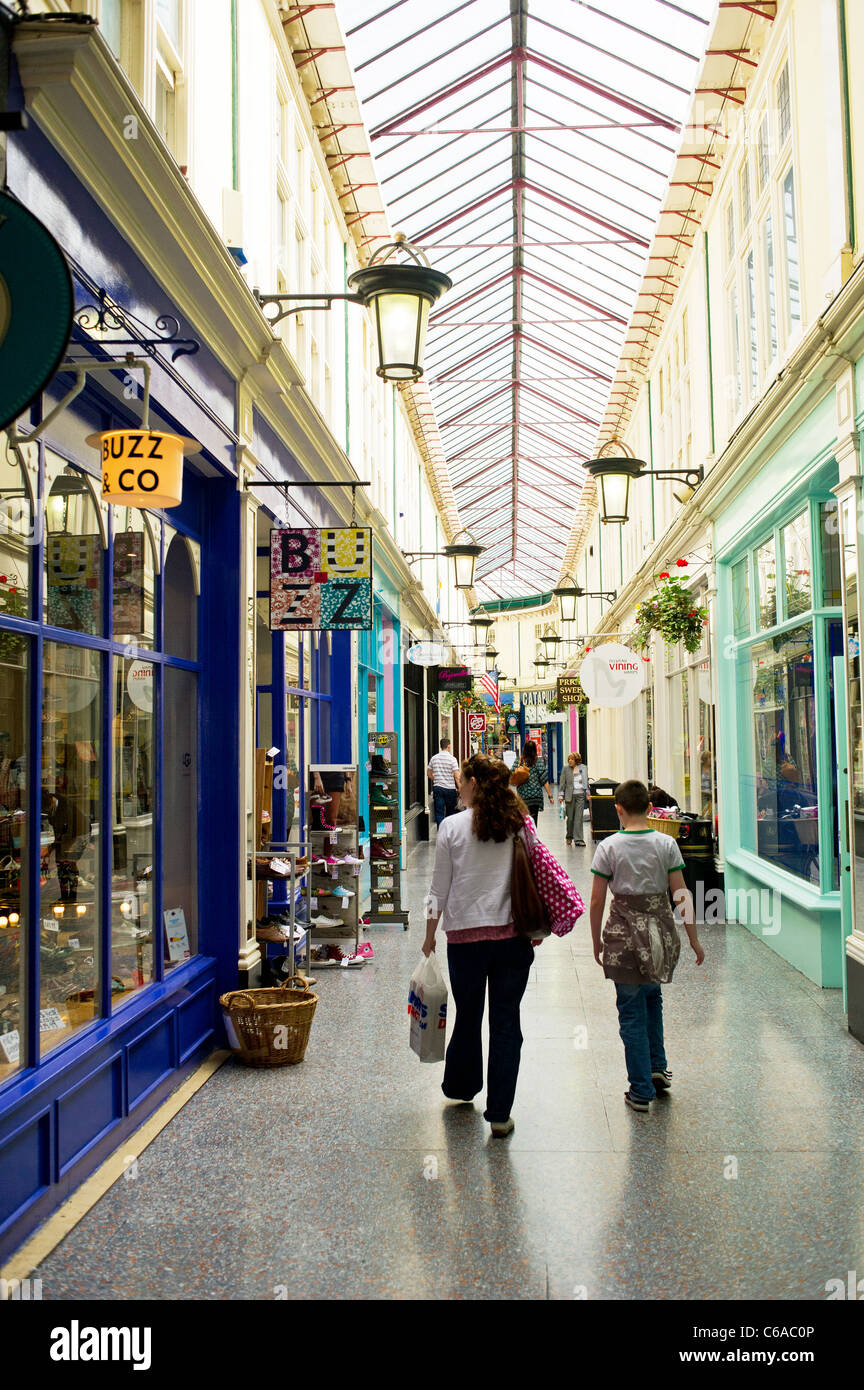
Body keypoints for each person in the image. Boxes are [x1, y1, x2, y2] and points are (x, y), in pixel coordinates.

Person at [422, 754, 541, 1137]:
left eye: (462, 778)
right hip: (512, 940)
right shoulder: (520, 823)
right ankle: (500, 1114)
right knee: (506, 1023)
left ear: (473, 782)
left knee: (468, 1014)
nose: (458, 784)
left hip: (465, 941)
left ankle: (461, 1086)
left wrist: (429, 935)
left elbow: (438, 889)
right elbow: (537, 875)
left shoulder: (451, 827)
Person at [589, 779, 704, 1113]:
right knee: (653, 996)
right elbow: (681, 894)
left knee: (630, 1009)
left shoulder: (609, 847)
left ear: (619, 809)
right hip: (659, 935)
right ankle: (657, 1066)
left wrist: (595, 940)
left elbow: (597, 900)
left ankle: (640, 1090)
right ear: (651, 809)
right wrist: (694, 938)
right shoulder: (666, 844)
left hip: (623, 938)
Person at [427, 737, 460, 827]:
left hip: (438, 788)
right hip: (450, 789)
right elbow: (456, 776)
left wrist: (437, 779)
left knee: (439, 812)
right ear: (448, 746)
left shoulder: (434, 758)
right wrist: (460, 788)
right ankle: (449, 832)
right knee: (450, 812)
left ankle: (441, 832)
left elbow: (429, 773)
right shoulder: (453, 759)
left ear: (440, 746)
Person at [517, 740, 553, 821]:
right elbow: (544, 780)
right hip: (535, 796)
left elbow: (512, 774)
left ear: (524, 749)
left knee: (523, 820)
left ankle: (526, 833)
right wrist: (550, 795)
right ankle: (533, 832)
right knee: (534, 820)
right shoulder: (538, 762)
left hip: (523, 795)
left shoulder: (519, 761)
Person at [560, 751, 589, 847]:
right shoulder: (566, 769)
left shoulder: (583, 768)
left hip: (580, 795)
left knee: (578, 818)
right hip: (570, 796)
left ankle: (579, 839)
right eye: (569, 759)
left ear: (576, 760)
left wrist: (588, 793)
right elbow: (562, 783)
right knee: (571, 818)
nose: (570, 761)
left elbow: (586, 782)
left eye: (572, 759)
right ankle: (569, 836)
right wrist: (561, 795)